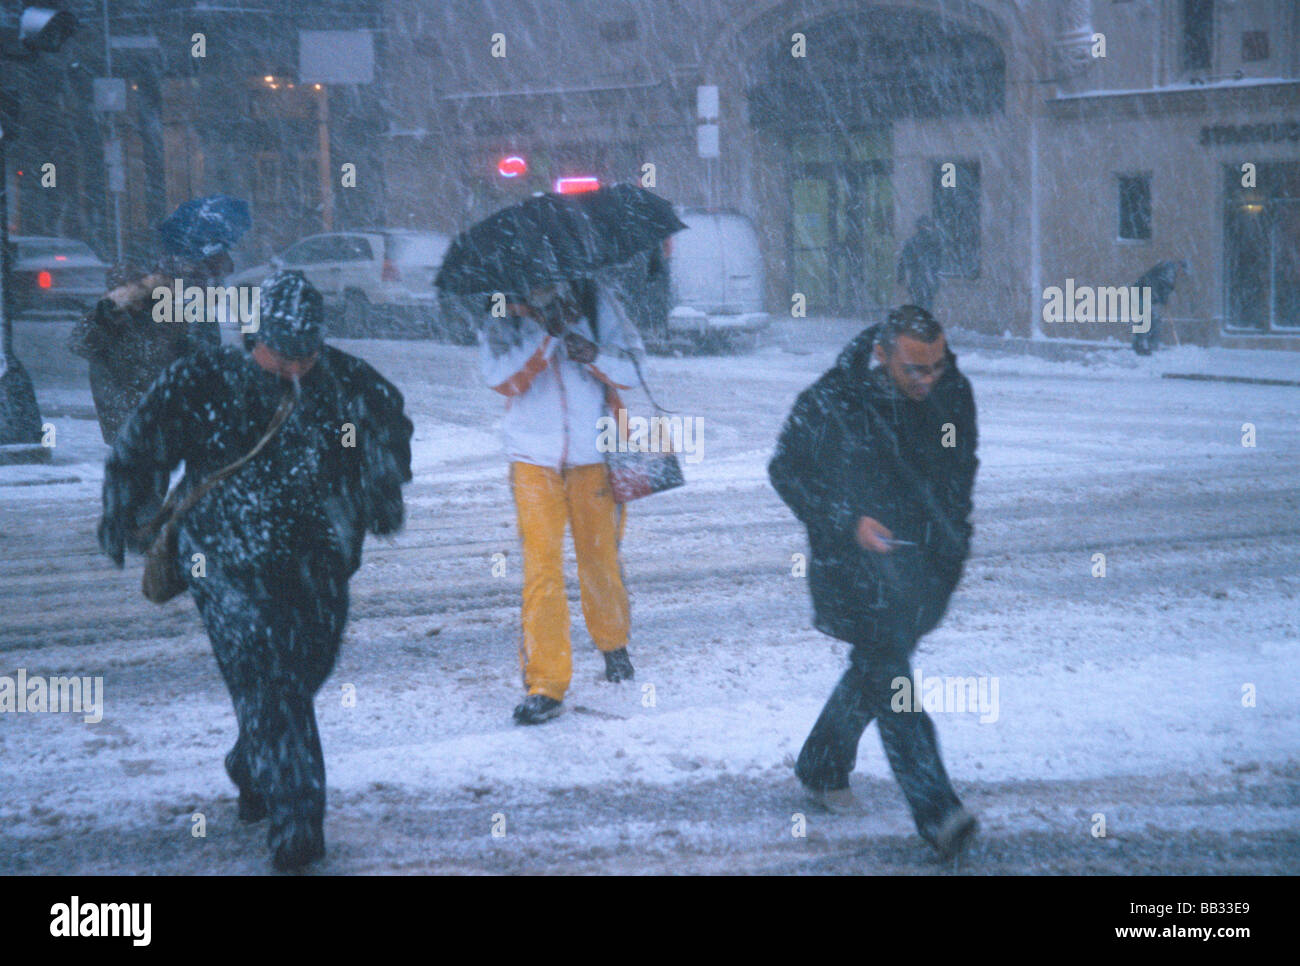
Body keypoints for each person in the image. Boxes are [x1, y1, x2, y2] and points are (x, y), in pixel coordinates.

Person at [97, 270, 413, 871]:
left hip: (318, 556)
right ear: (254, 336)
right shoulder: (202, 379)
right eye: (281, 353)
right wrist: (125, 513)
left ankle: (252, 759)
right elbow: (139, 446)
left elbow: (388, 434)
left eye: (306, 354)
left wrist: (380, 484)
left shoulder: (344, 381)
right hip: (223, 558)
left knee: (307, 667)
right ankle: (298, 823)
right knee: (272, 682)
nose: (295, 367)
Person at [768, 304, 979, 861]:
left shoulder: (951, 392)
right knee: (892, 677)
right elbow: (785, 471)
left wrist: (951, 534)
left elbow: (963, 468)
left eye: (936, 366)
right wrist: (848, 520)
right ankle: (937, 810)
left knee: (877, 665)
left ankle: (821, 762)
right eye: (914, 369)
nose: (928, 380)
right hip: (855, 564)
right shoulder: (831, 400)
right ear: (881, 354)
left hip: (926, 563)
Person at [481, 278, 644, 725]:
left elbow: (634, 368)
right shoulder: (501, 305)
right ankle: (546, 684)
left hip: (595, 456)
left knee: (601, 558)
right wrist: (546, 336)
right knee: (542, 568)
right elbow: (498, 378)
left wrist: (594, 355)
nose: (547, 279)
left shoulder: (597, 297)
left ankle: (613, 644)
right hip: (532, 459)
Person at [69, 197, 247, 443]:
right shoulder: (139, 301)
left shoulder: (195, 312)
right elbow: (83, 342)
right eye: (211, 273)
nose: (219, 280)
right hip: (144, 433)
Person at [1132, 259, 1188, 355]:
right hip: (1143, 294)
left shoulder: (1168, 268)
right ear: (1179, 266)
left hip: (1145, 293)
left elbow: (1161, 285)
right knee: (1148, 319)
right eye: (1182, 271)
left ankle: (1149, 346)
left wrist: (1162, 298)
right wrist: (1163, 298)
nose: (1181, 274)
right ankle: (1142, 346)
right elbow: (1163, 285)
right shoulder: (1169, 270)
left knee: (1152, 319)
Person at [896, 216, 942, 313]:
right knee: (927, 304)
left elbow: (903, 261)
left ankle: (920, 322)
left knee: (918, 303)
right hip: (926, 279)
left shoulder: (912, 242)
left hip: (918, 278)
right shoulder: (933, 242)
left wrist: (901, 276)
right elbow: (938, 261)